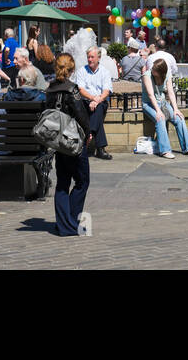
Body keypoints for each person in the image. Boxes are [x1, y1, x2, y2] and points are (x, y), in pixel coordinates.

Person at [46, 52, 93, 236]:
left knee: (62, 183)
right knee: (82, 181)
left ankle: (64, 223)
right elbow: (81, 115)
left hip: (58, 143)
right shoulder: (72, 90)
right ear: (72, 69)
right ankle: (70, 222)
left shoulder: (50, 89)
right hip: (73, 142)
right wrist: (88, 133)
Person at [142, 60, 188, 158]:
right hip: (149, 103)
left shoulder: (167, 74)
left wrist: (176, 109)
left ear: (160, 72)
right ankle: (165, 150)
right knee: (160, 119)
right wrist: (158, 111)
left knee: (179, 119)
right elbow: (151, 95)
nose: (152, 69)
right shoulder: (147, 75)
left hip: (162, 103)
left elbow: (171, 92)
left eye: (154, 69)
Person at [72, 46, 114, 160]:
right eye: (88, 57)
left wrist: (97, 100)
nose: (89, 59)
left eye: (92, 57)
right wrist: (92, 99)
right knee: (97, 115)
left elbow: (106, 91)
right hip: (86, 101)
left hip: (100, 101)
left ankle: (88, 133)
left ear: (99, 58)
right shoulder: (81, 71)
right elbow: (81, 90)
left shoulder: (105, 72)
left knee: (99, 107)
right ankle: (101, 149)